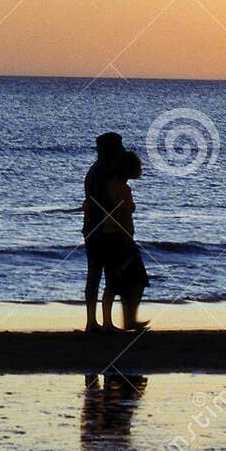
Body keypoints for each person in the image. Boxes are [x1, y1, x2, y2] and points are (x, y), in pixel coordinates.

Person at [99, 149, 149, 331]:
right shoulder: (124, 189)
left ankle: (110, 321)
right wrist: (128, 237)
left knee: (114, 281)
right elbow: (124, 215)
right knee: (137, 280)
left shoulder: (108, 185)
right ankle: (129, 319)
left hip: (108, 235)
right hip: (121, 238)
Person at [83, 131, 123, 333]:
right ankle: (105, 322)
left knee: (94, 274)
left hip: (90, 228)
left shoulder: (93, 170)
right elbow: (106, 201)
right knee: (110, 274)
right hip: (105, 229)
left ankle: (92, 321)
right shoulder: (106, 171)